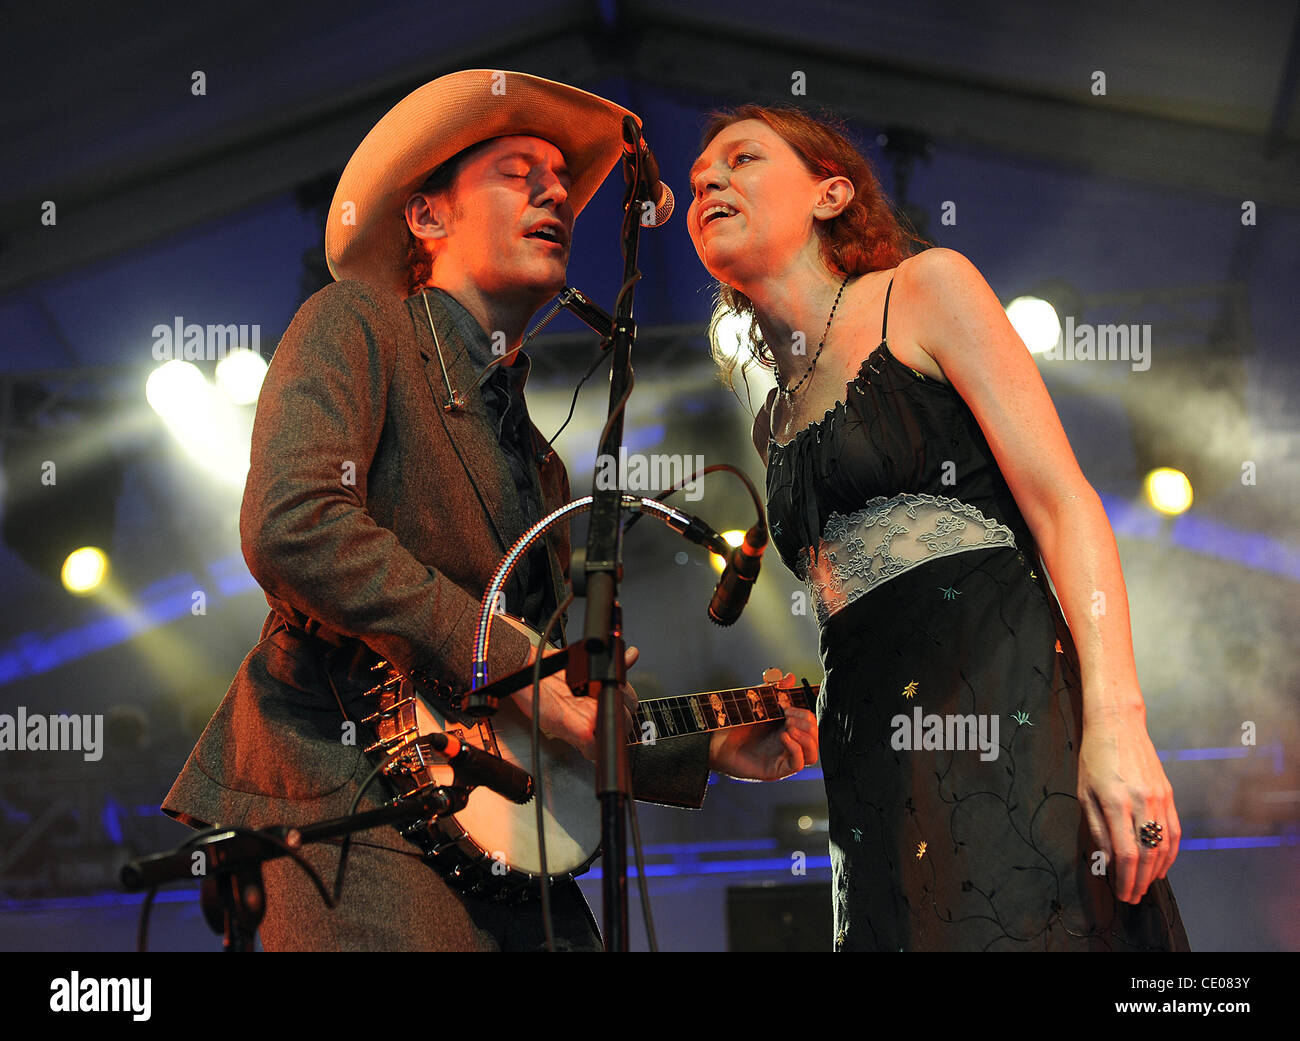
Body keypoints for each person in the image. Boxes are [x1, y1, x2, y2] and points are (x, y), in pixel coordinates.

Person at [161, 72, 817, 952]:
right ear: (427, 218)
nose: (556, 193)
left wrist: (707, 745)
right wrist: (511, 659)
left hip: (490, 837)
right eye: (518, 172)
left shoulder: (539, 460)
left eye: (562, 181)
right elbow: (293, 521)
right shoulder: (356, 322)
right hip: (346, 815)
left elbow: (548, 687)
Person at [686, 104, 1189, 951]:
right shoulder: (771, 416)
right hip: (874, 769)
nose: (708, 178)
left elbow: (1066, 505)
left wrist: (1120, 725)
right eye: (700, 174)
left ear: (831, 192)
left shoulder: (927, 289)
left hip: (1008, 718)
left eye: (741, 159)